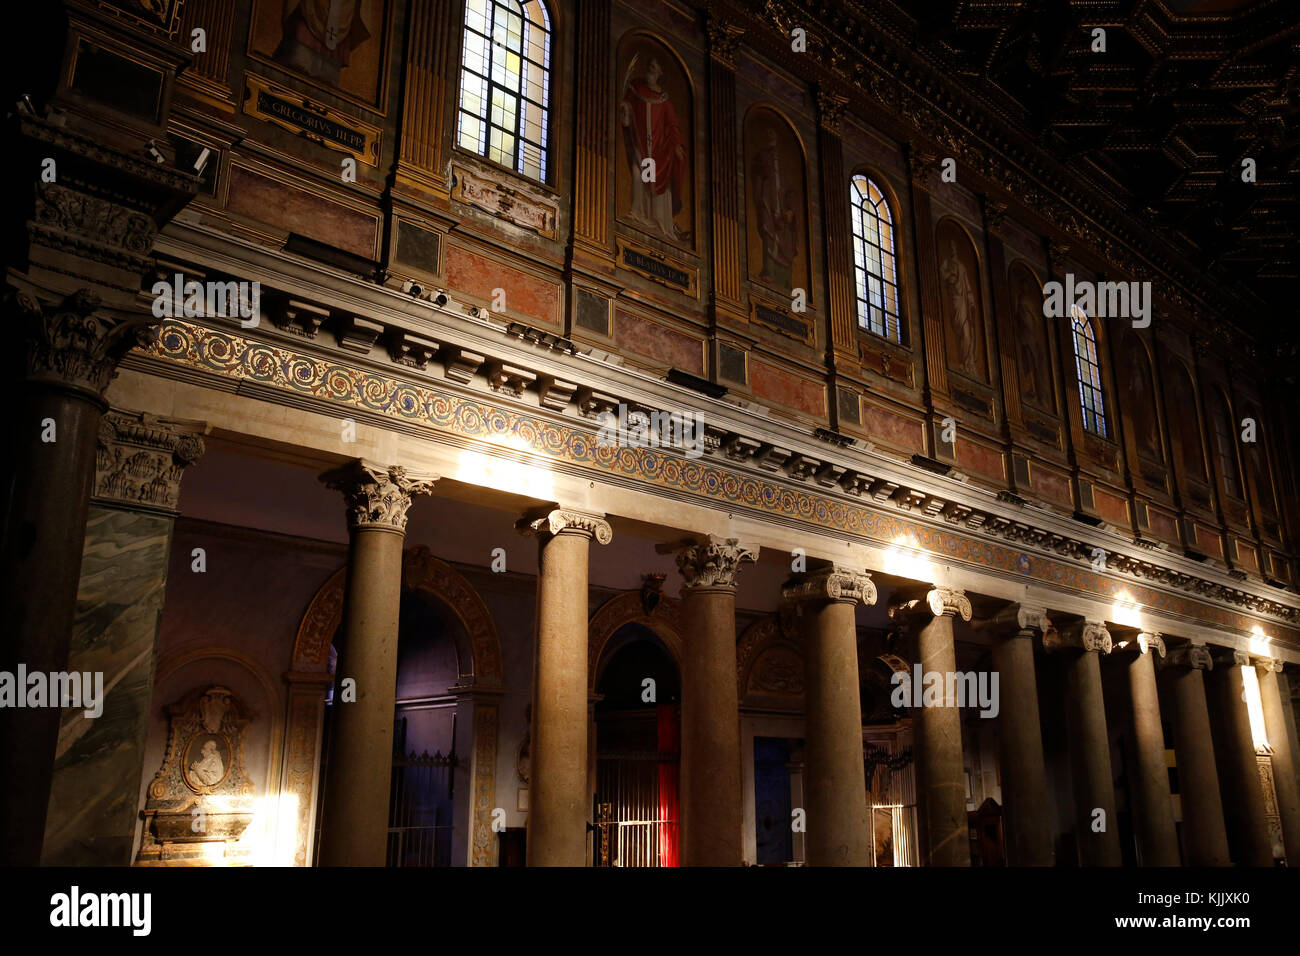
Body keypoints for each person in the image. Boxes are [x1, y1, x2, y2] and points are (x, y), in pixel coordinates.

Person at [621, 56, 689, 241]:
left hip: (658, 150)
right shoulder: (637, 88)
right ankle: (638, 214)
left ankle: (658, 222)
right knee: (638, 174)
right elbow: (626, 104)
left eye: (655, 66)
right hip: (640, 143)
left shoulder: (664, 100)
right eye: (650, 65)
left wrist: (676, 145)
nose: (651, 68)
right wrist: (625, 109)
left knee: (653, 181)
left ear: (660, 73)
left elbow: (673, 125)